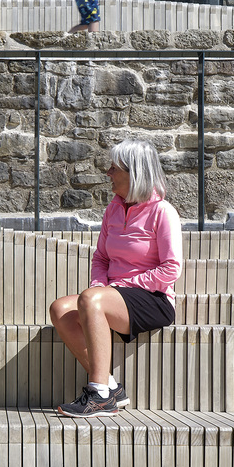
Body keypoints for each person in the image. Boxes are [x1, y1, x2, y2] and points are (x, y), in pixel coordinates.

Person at [49, 139, 181, 418]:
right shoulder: (112, 210)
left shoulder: (163, 212)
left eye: (114, 168)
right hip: (113, 294)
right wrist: (100, 287)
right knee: (60, 309)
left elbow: (171, 269)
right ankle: (110, 387)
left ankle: (98, 395)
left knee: (91, 299)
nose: (108, 173)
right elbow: (101, 258)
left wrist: (118, 287)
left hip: (153, 298)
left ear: (135, 173)